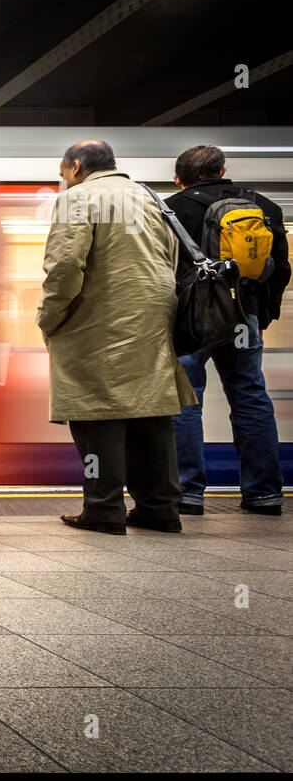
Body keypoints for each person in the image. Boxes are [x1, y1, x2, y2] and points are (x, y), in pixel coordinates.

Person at [37, 139, 196, 534]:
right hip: (154, 320)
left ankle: (103, 509)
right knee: (151, 413)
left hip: (98, 323)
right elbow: (172, 259)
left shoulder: (79, 198)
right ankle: (160, 508)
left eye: (63, 174)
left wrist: (49, 318)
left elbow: (65, 267)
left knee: (97, 413)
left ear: (75, 166)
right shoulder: (150, 198)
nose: (65, 181)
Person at [166, 145, 288, 516]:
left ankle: (188, 492)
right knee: (250, 396)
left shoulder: (171, 209)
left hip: (191, 321)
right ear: (222, 171)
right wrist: (261, 315)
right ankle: (264, 493)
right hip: (242, 317)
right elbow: (280, 270)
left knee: (186, 401)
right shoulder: (264, 207)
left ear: (178, 177)